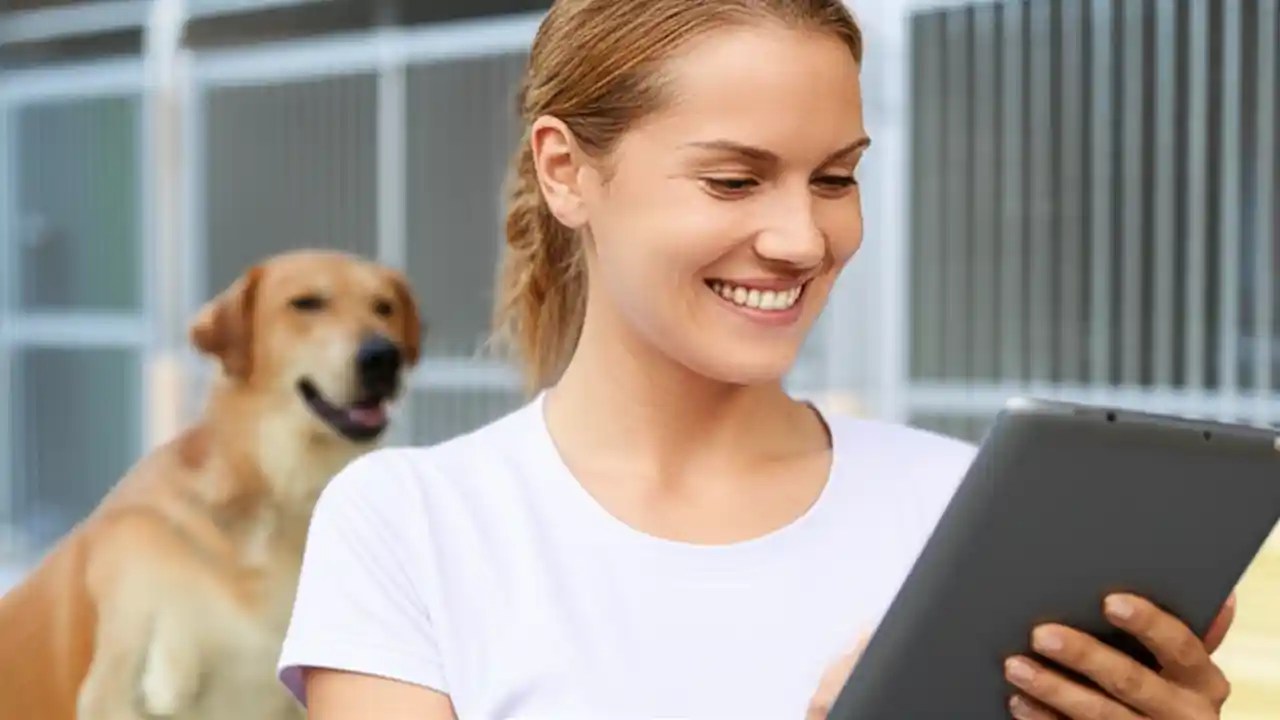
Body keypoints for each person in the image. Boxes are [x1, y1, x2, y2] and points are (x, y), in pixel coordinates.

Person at [276, 1, 1239, 718]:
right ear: (565, 169)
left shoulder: (966, 517)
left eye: (836, 178)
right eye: (734, 179)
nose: (803, 240)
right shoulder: (410, 527)